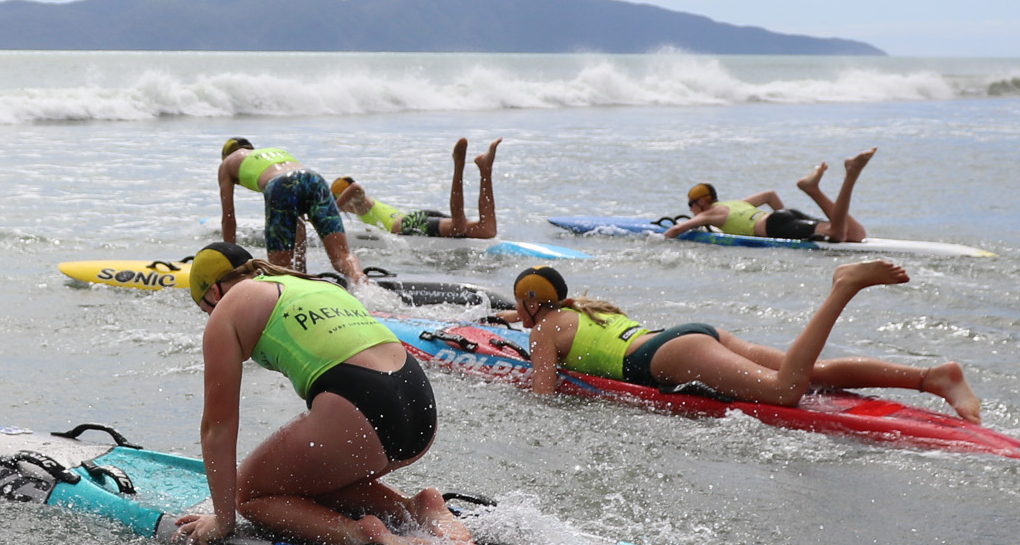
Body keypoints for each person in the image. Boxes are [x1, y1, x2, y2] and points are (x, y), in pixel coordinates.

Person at [172, 242, 474, 545]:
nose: (210, 317)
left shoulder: (228, 308)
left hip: (360, 404)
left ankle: (362, 534)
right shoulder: (310, 283)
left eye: (206, 310)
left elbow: (217, 428)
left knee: (249, 494)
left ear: (215, 293)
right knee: (305, 480)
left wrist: (222, 520)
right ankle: (416, 507)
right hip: (419, 406)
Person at [496, 262, 981, 420]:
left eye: (520, 304)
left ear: (533, 304)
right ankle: (931, 377)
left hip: (667, 359)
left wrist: (508, 384)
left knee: (785, 391)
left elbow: (544, 393)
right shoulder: (584, 308)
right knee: (812, 373)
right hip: (689, 337)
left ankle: (844, 287)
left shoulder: (542, 330)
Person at [217, 138, 365, 283]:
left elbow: (229, 218)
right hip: (314, 179)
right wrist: (301, 269)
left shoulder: (227, 164)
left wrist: (233, 262)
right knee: (342, 256)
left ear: (225, 155)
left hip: (280, 185)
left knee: (280, 270)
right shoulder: (273, 153)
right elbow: (298, 219)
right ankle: (361, 281)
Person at [664, 148, 875, 243]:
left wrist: (659, 240)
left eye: (691, 205)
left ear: (701, 202)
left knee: (837, 234)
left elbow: (677, 229)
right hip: (785, 216)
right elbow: (769, 195)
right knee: (856, 234)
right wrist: (785, 216)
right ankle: (813, 189)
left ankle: (850, 174)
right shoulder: (736, 203)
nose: (690, 210)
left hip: (775, 225)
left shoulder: (708, 214)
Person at [331, 138, 501, 240]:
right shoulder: (365, 211)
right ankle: (485, 168)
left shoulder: (361, 207)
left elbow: (355, 187)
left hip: (410, 224)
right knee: (487, 230)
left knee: (458, 227)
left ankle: (458, 164)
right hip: (417, 219)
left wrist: (331, 210)